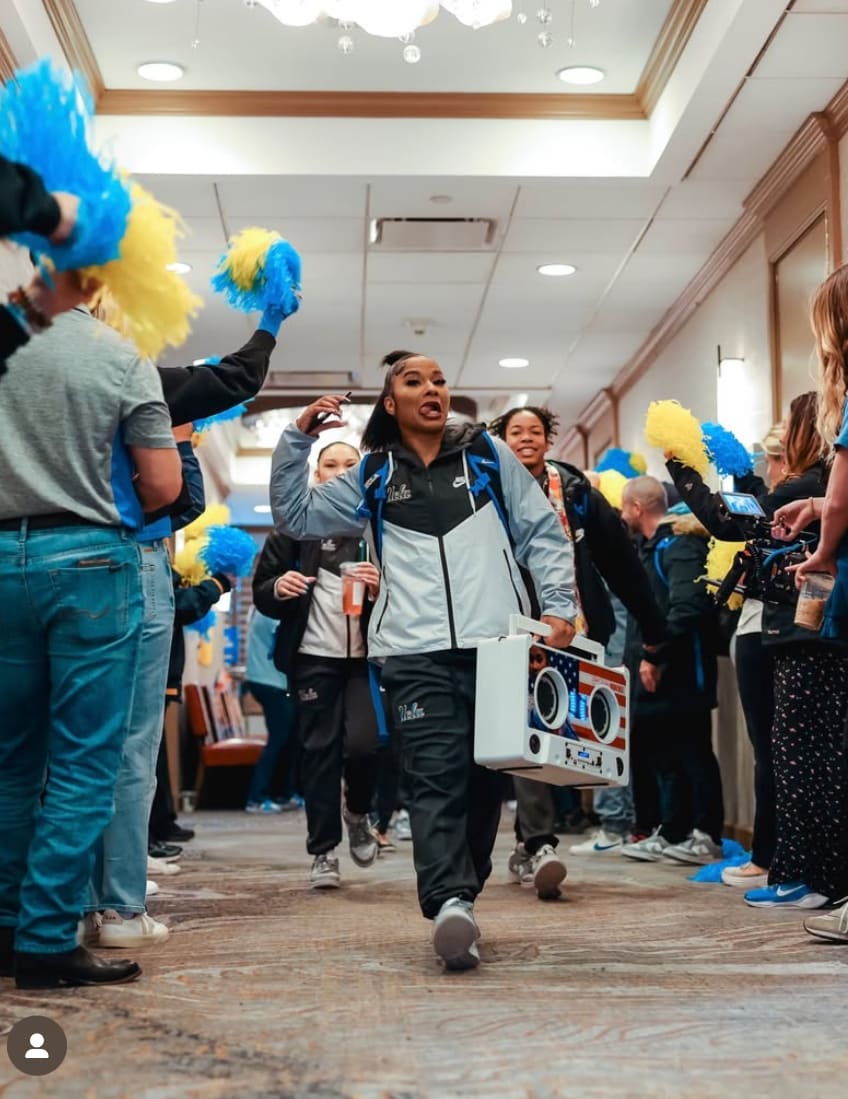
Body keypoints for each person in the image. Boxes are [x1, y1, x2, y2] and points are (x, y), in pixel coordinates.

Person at [269, 351, 577, 971]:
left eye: (438, 380)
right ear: (392, 403)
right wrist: (296, 437)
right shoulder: (375, 475)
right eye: (415, 382)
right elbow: (295, 514)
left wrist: (561, 606)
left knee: (485, 784)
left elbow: (541, 533)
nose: (432, 389)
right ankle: (449, 902)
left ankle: (466, 887)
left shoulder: (489, 458)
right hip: (413, 652)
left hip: (497, 649)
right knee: (433, 778)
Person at [0, 305, 182, 988]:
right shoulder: (118, 354)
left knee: (11, 760)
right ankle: (46, 939)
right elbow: (163, 486)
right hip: (88, 563)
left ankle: (7, 926)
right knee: (83, 761)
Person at [488, 406, 666, 896]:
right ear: (500, 440)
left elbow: (621, 563)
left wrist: (653, 629)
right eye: (515, 432)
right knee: (526, 729)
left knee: (562, 733)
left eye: (536, 431)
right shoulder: (484, 489)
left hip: (575, 630)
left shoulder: (575, 492)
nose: (526, 439)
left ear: (549, 440)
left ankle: (534, 841)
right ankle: (541, 843)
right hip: (510, 629)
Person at [665, 399, 824, 889]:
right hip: (785, 626)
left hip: (782, 627)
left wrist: (681, 466)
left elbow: (730, 523)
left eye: (770, 458)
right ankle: (783, 858)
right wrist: (749, 481)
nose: (768, 469)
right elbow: (759, 515)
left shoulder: (809, 484)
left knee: (779, 750)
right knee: (787, 749)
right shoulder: (817, 484)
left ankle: (774, 859)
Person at [254, 441, 383, 888]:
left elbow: (416, 591)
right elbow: (262, 591)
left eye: (351, 464)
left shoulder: (380, 527)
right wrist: (280, 586)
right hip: (312, 659)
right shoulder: (293, 528)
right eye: (331, 464)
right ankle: (323, 852)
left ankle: (359, 811)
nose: (341, 471)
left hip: (367, 660)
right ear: (317, 474)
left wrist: (383, 585)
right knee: (318, 755)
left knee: (366, 746)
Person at [766, 264, 848, 927]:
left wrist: (822, 545)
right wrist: (821, 503)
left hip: (836, 599)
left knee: (815, 740)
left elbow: (846, 493)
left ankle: (828, 878)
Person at [616, 477, 725, 866]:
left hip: (683, 672)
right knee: (667, 757)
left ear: (637, 508)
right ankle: (674, 830)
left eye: (625, 508)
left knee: (693, 753)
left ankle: (705, 835)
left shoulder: (678, 544)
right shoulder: (652, 548)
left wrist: (654, 655)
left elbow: (688, 608)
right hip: (658, 677)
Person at [241, 608, 297, 814]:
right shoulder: (272, 610)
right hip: (270, 682)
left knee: (289, 739)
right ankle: (256, 798)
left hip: (265, 680)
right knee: (278, 739)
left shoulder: (260, 608)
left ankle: (283, 794)